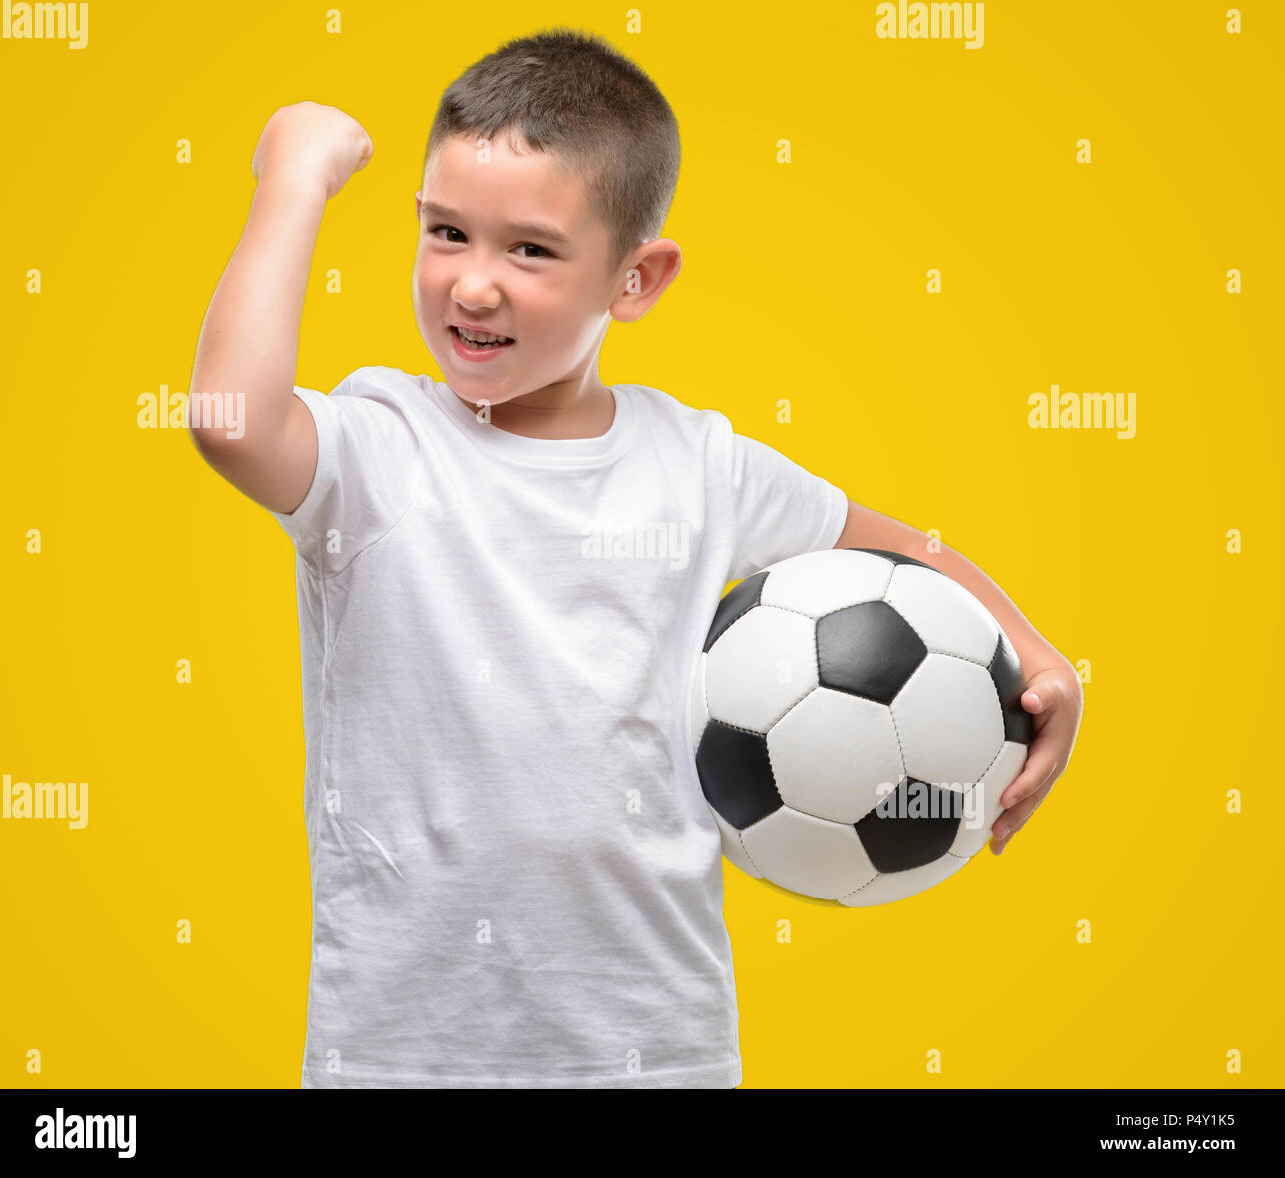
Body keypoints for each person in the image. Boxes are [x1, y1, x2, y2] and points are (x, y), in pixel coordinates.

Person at [185, 28, 1083, 1088]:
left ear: (636, 278)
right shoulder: (381, 443)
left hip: (653, 1043)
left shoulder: (696, 458)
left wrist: (1029, 649)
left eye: (529, 250)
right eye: (445, 233)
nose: (472, 286)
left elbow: (897, 551)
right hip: (403, 1046)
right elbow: (232, 419)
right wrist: (295, 175)